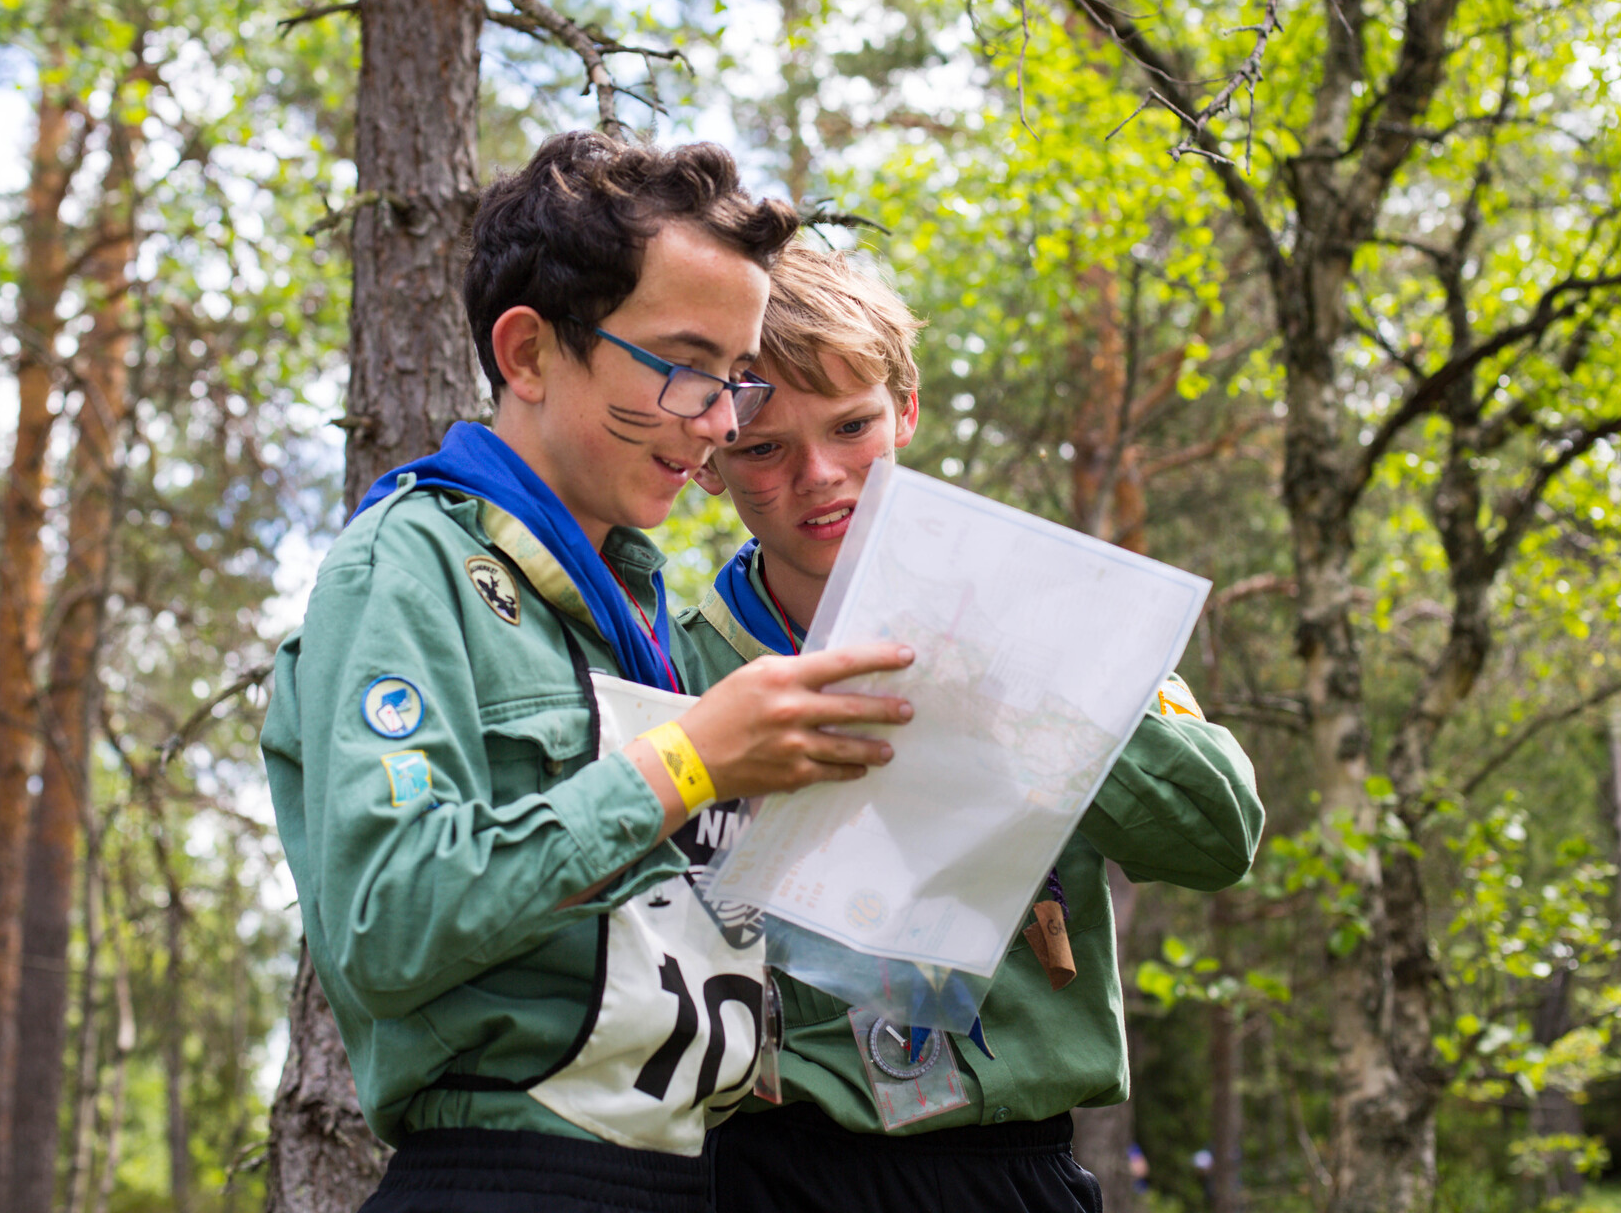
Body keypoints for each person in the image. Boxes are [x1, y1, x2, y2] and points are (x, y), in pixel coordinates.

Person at [260, 135, 918, 1213]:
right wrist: (689, 761)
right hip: (513, 1173)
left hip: (685, 1175)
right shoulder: (411, 565)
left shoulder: (633, 596)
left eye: (733, 384)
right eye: (686, 369)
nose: (716, 424)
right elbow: (387, 919)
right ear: (527, 354)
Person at [676, 241, 1266, 1213]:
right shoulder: (678, 667)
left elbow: (1216, 836)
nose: (822, 475)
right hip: (758, 1166)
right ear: (708, 459)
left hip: (1008, 1165)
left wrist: (1015, 682)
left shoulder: (1055, 616)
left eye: (853, 424)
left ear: (904, 410)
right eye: (763, 447)